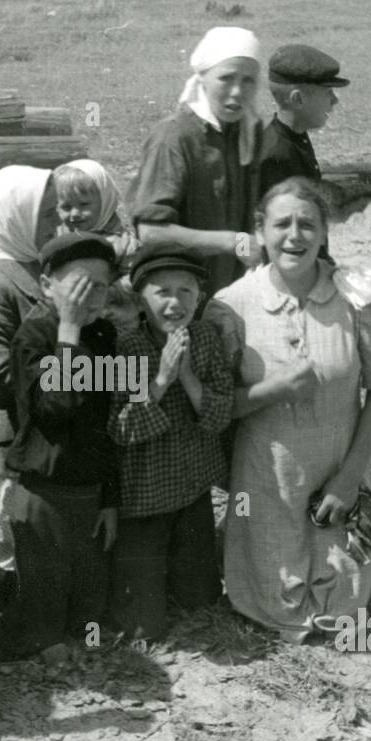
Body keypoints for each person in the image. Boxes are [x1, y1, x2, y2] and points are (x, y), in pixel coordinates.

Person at [205, 178, 371, 643]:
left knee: (342, 607)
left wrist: (350, 478)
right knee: (272, 604)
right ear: (261, 231)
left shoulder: (357, 298)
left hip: (339, 473)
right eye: (282, 224)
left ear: (324, 233)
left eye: (307, 224)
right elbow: (215, 411)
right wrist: (273, 390)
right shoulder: (230, 307)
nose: (295, 235)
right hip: (266, 480)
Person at [0, 160, 127, 573]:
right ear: (16, 215)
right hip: (16, 431)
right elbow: (1, 380)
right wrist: (62, 342)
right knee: (12, 536)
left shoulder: (42, 263)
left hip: (63, 429)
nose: (59, 221)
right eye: (49, 213)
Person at [0, 233, 120, 659]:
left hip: (87, 486)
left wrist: (109, 497)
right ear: (48, 285)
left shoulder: (104, 335)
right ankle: (6, 632)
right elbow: (56, 407)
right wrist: (68, 329)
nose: (87, 298)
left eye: (99, 287)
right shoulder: (33, 338)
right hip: (43, 487)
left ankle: (53, 626)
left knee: (87, 595)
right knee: (44, 588)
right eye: (76, 286)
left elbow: (103, 422)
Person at [108, 245, 233, 643]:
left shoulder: (207, 339)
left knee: (203, 601)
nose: (175, 303)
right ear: (141, 298)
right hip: (142, 502)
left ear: (200, 298)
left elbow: (219, 417)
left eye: (186, 292)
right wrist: (160, 381)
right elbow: (119, 430)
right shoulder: (124, 349)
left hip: (191, 492)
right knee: (146, 629)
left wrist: (189, 379)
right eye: (162, 292)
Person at [132, 26, 265, 294]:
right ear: (203, 78)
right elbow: (150, 231)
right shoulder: (174, 137)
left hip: (232, 291)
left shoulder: (247, 133)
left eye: (248, 80)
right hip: (181, 295)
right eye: (226, 78)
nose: (238, 91)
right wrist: (231, 242)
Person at [259, 43, 348, 262]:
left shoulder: (294, 137)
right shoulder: (276, 155)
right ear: (298, 99)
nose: (335, 100)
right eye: (328, 92)